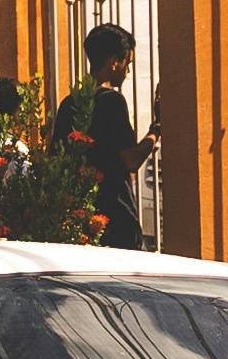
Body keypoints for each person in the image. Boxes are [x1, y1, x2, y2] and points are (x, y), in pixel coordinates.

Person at [54, 19, 153, 250]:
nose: (127, 72)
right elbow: (130, 160)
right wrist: (155, 133)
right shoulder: (113, 101)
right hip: (115, 217)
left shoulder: (69, 103)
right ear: (114, 62)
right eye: (127, 64)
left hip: (80, 215)